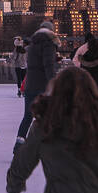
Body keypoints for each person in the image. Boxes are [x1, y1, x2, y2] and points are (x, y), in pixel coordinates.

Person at [16, 21, 59, 152]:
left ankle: (18, 145)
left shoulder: (33, 44)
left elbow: (36, 62)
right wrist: (53, 84)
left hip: (30, 85)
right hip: (43, 86)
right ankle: (51, 147)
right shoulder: (49, 44)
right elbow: (48, 66)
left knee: (28, 116)